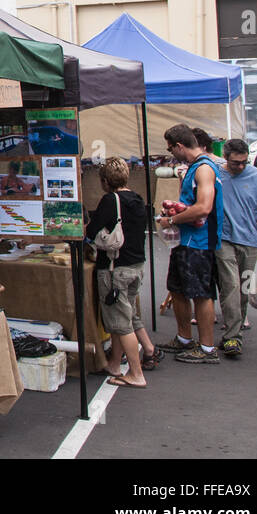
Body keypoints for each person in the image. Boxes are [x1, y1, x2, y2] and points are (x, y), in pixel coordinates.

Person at [85, 158, 161, 386]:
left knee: (120, 322)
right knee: (123, 318)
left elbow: (92, 231)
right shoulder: (137, 199)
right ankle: (115, 364)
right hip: (135, 266)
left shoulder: (110, 201)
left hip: (114, 269)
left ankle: (136, 374)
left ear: (105, 181)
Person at [156, 124, 225, 364]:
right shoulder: (194, 168)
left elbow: (204, 207)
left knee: (201, 293)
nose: (170, 152)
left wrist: (172, 219)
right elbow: (193, 204)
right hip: (186, 240)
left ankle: (207, 348)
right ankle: (184, 338)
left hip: (200, 242)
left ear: (179, 145)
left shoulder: (204, 169)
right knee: (177, 288)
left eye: (170, 148)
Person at [215, 139, 257, 357]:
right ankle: (232, 337)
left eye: (244, 162)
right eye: (235, 163)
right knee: (230, 285)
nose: (240, 167)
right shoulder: (216, 176)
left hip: (249, 241)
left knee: (242, 290)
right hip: (223, 239)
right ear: (225, 157)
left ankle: (235, 329)